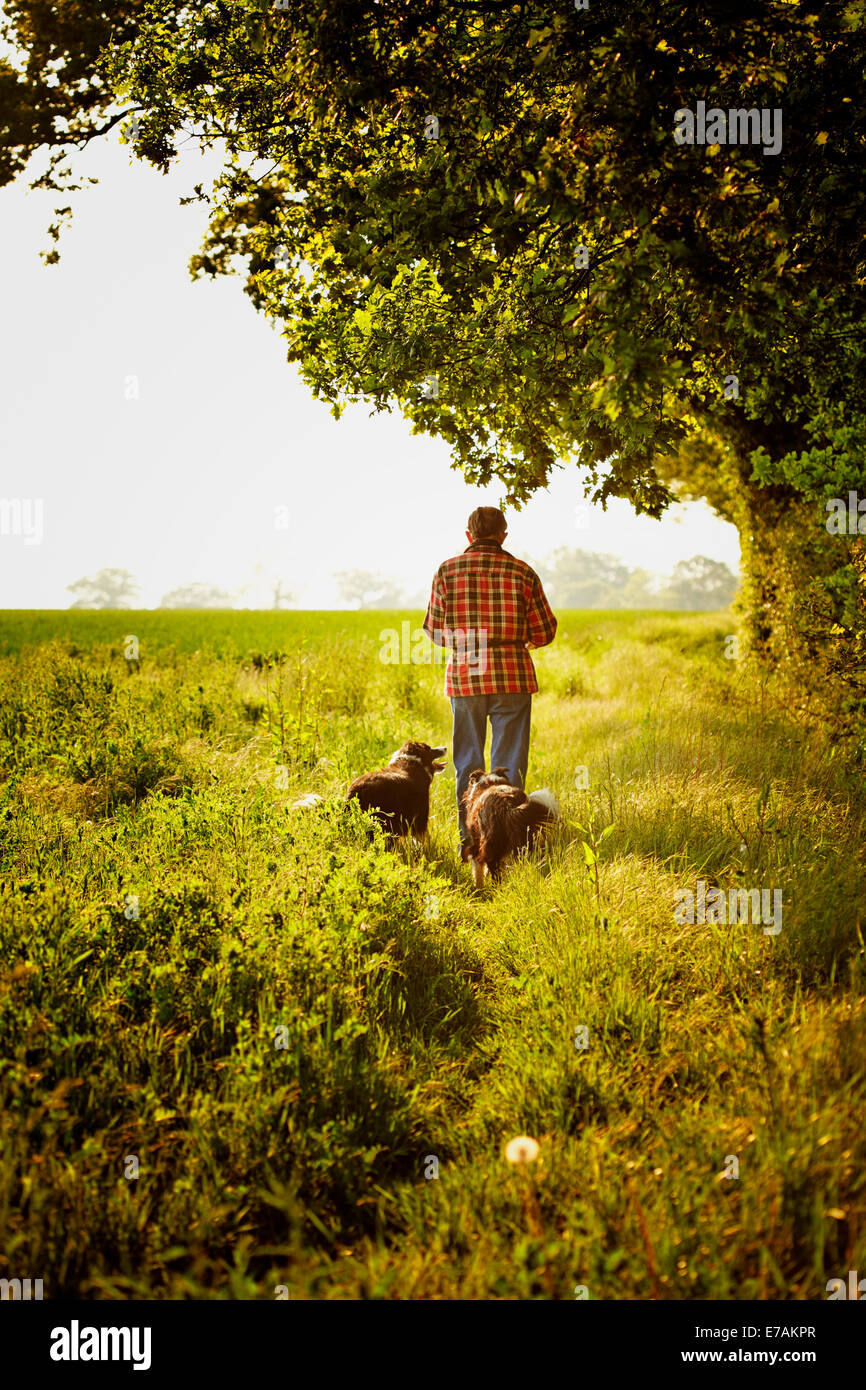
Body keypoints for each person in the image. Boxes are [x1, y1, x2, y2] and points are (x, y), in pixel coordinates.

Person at [423, 506, 557, 853]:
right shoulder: (523, 572)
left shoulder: (447, 571)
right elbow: (545, 630)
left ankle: (469, 842)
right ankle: (512, 842)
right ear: (503, 536)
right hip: (513, 674)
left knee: (468, 763)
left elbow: (435, 631)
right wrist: (524, 639)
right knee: (510, 763)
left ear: (469, 536)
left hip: (466, 677)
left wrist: (467, 641)